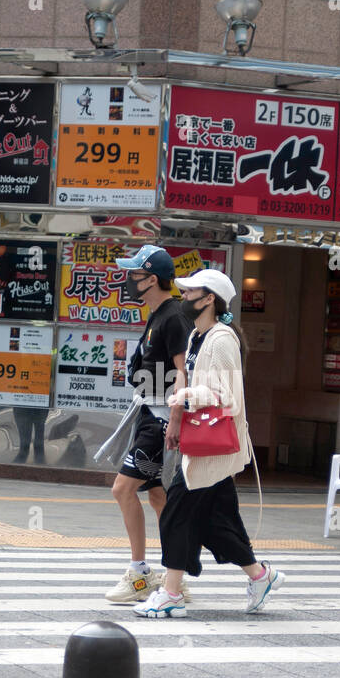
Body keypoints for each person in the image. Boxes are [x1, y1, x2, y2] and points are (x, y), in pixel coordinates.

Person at [133, 268, 284, 619]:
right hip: (202, 445)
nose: (183, 298)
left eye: (189, 293)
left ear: (209, 299)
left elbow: (227, 397)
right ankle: (261, 576)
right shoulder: (197, 338)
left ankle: (170, 593)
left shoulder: (221, 339)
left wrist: (185, 396)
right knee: (215, 524)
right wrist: (180, 411)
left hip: (213, 451)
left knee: (175, 514)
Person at [103, 245, 193, 604]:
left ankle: (140, 574)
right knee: (158, 497)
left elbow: (184, 371)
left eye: (134, 275)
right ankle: (177, 576)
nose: (128, 281)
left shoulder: (173, 317)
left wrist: (175, 420)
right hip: (150, 414)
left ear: (151, 279)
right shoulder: (159, 314)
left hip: (159, 421)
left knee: (123, 490)